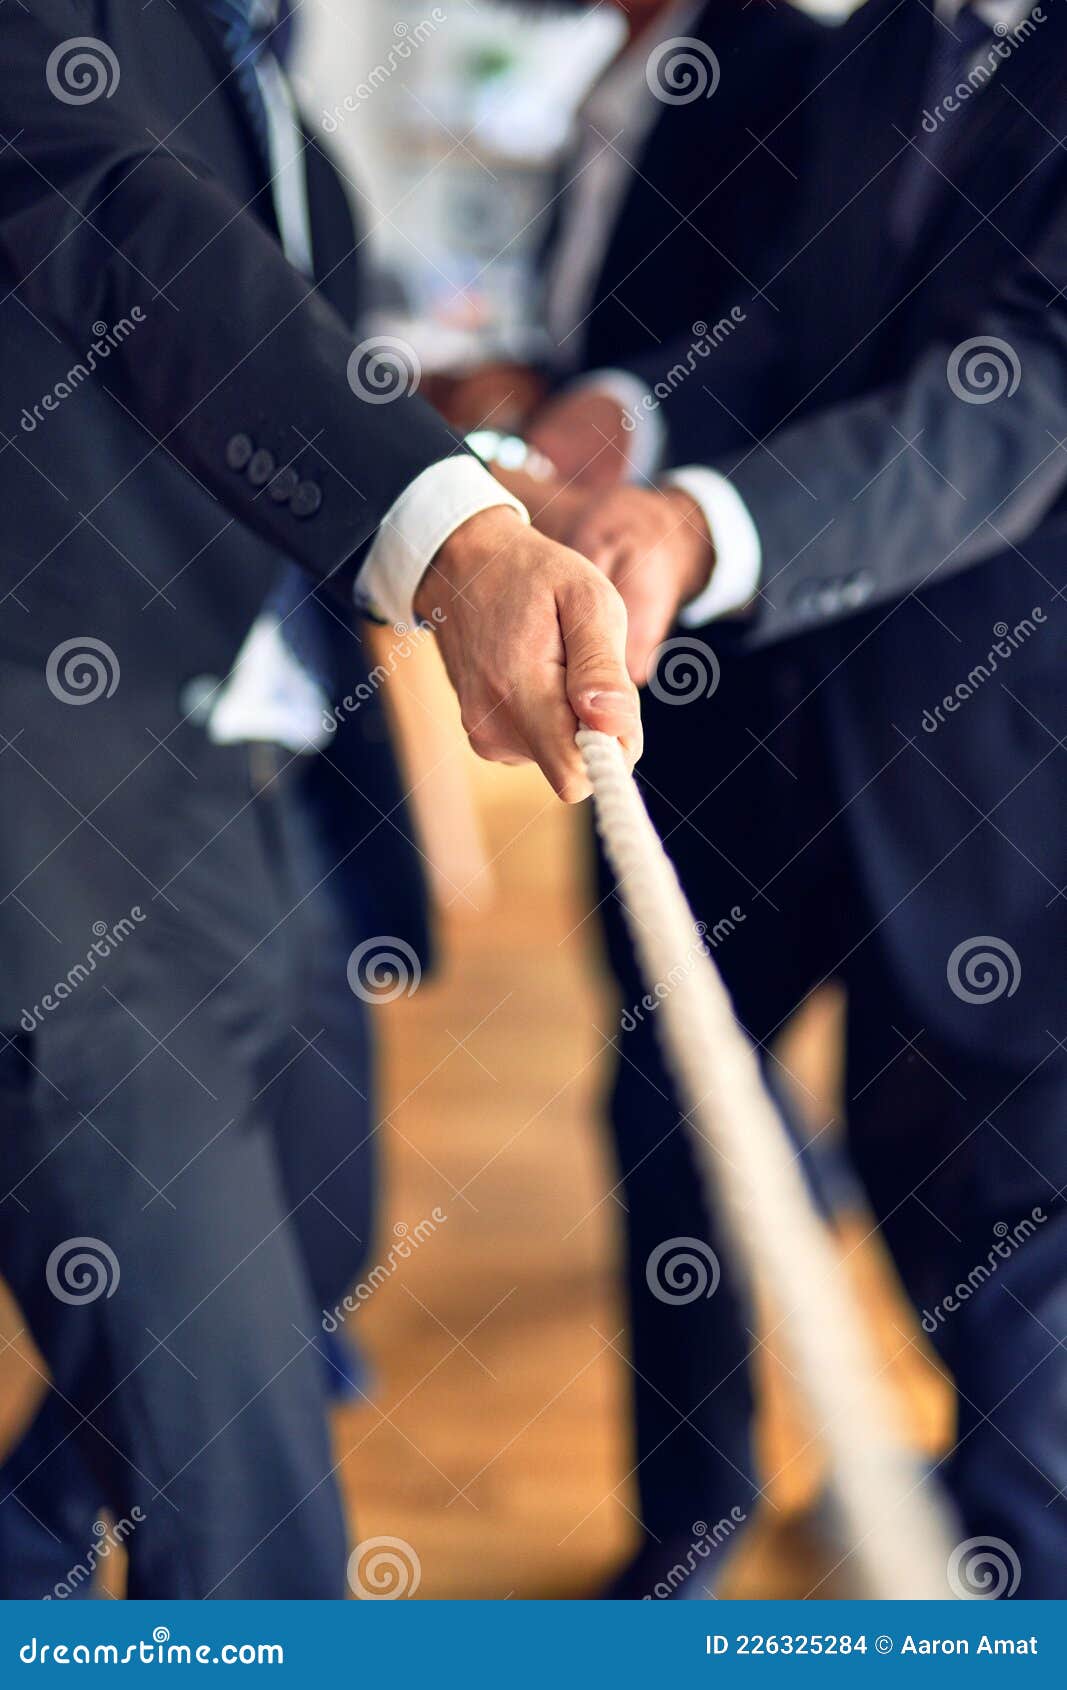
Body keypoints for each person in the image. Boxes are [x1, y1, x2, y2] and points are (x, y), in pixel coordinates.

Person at [0, 0, 640, 1599]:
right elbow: (122, 227)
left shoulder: (249, 50)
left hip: (241, 753)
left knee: (318, 1229)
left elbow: (244, 329)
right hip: (49, 779)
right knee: (256, 1519)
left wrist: (474, 448)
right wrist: (455, 538)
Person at [531, 0, 1067, 1597]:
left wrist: (700, 529)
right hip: (790, 746)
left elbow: (1018, 400)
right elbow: (789, 320)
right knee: (705, 1119)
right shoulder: (891, 42)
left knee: (1010, 1288)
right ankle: (704, 1526)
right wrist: (632, 416)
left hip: (1015, 794)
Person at [439, 0, 827, 1596]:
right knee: (673, 1087)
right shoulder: (609, 79)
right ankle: (702, 1501)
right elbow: (625, 318)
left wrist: (613, 425)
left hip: (767, 666)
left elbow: (784, 327)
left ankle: (740, 1501)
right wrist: (531, 386)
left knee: (704, 1093)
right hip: (651, 660)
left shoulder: (786, 54)